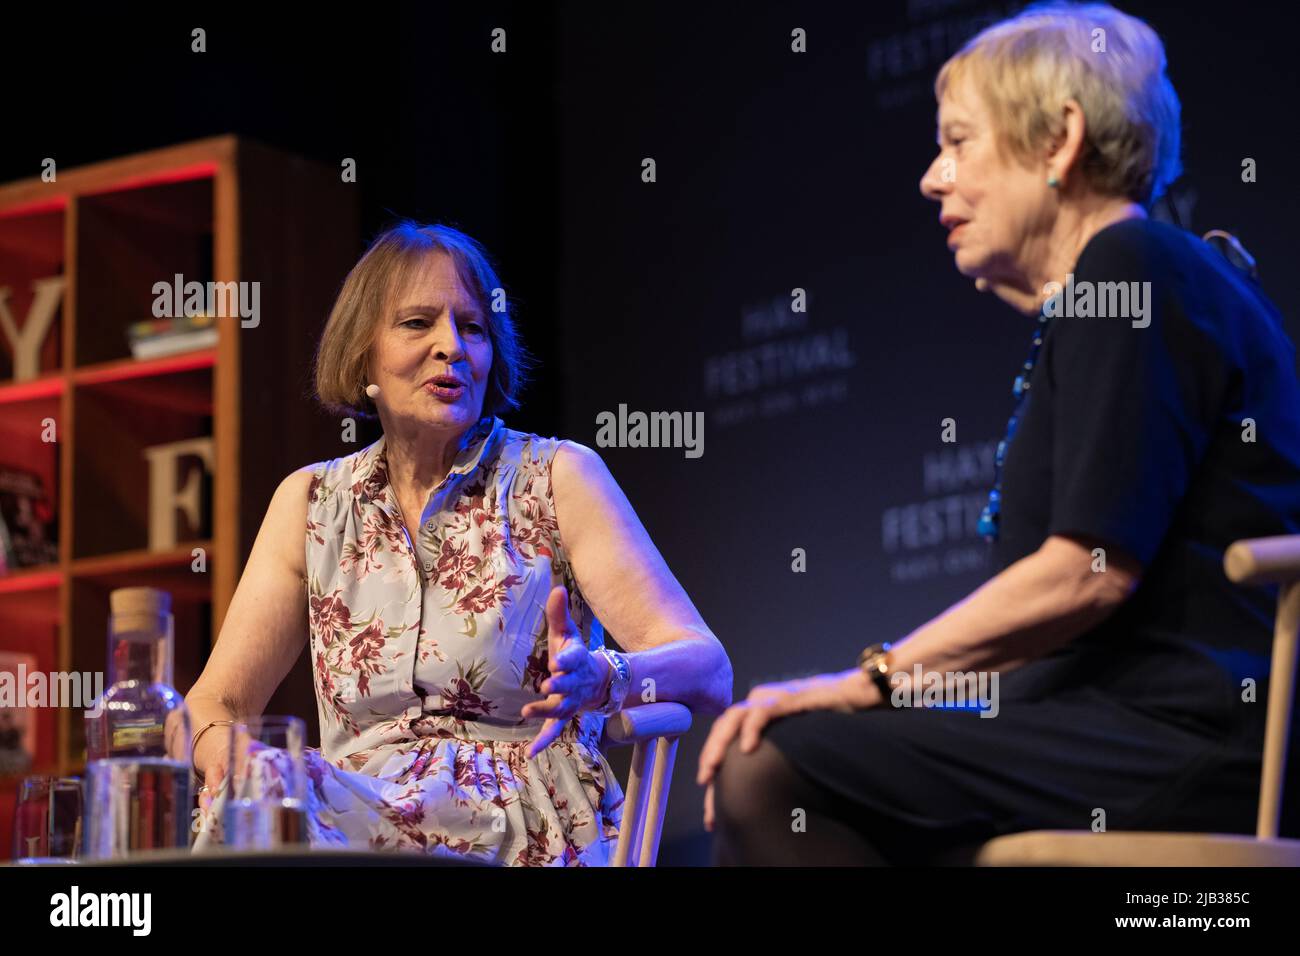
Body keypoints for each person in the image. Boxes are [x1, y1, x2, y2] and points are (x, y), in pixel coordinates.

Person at [699, 1, 1300, 865]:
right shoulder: (1128, 283)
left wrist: (868, 682)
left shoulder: (1132, 267)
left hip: (1183, 741)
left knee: (774, 771)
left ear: (1058, 141)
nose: (932, 178)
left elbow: (1087, 577)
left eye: (957, 142)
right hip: (1107, 727)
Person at [186, 221, 731, 865]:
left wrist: (608, 677)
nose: (451, 345)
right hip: (355, 819)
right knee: (258, 808)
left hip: (517, 824)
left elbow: (708, 669)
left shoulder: (556, 477)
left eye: (472, 328)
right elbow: (213, 702)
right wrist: (227, 752)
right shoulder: (310, 504)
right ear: (363, 355)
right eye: (418, 323)